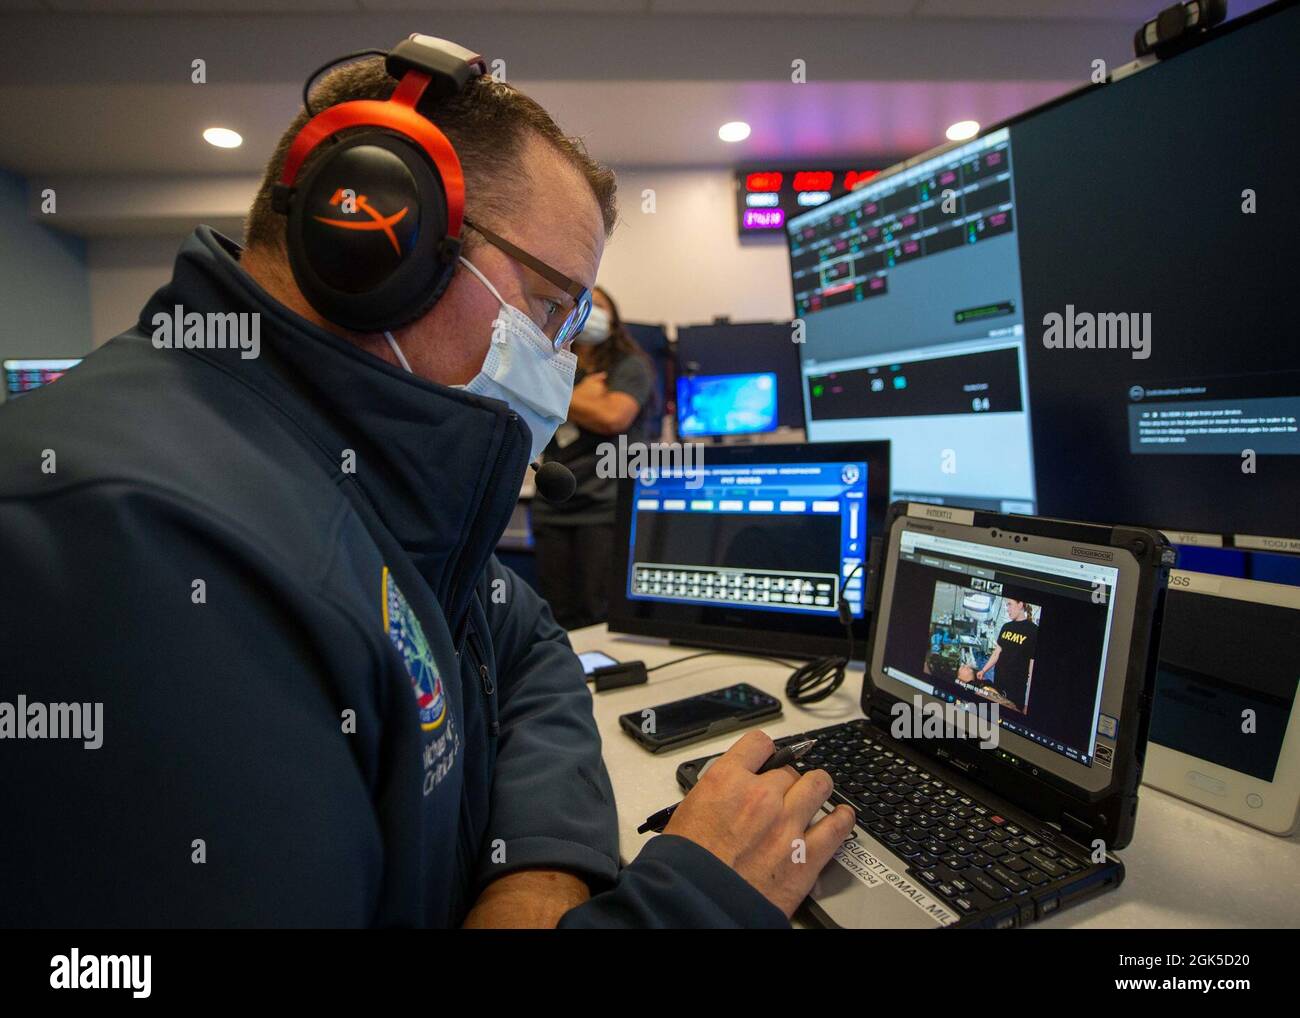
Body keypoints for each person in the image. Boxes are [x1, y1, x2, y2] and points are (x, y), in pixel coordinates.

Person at [0, 39, 853, 928]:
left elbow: (527, 646)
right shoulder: (124, 548)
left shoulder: (371, 476)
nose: (557, 361)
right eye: (550, 307)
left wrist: (536, 873)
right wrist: (697, 902)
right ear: (381, 239)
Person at [531, 286, 654, 629]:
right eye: (584, 305)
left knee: (596, 611)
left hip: (603, 508)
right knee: (557, 614)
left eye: (600, 306)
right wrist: (581, 397)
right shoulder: (553, 362)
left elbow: (612, 417)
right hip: (553, 507)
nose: (591, 313)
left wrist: (554, 393)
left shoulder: (629, 366)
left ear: (614, 319)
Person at [976, 599, 1038, 712]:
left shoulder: (1033, 630)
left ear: (1020, 605)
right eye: (1006, 605)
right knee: (995, 712)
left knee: (1012, 714)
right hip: (999, 680)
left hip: (1016, 686)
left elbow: (1032, 663)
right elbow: (997, 652)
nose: (1007, 608)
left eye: (1010, 604)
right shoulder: (1006, 627)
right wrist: (983, 670)